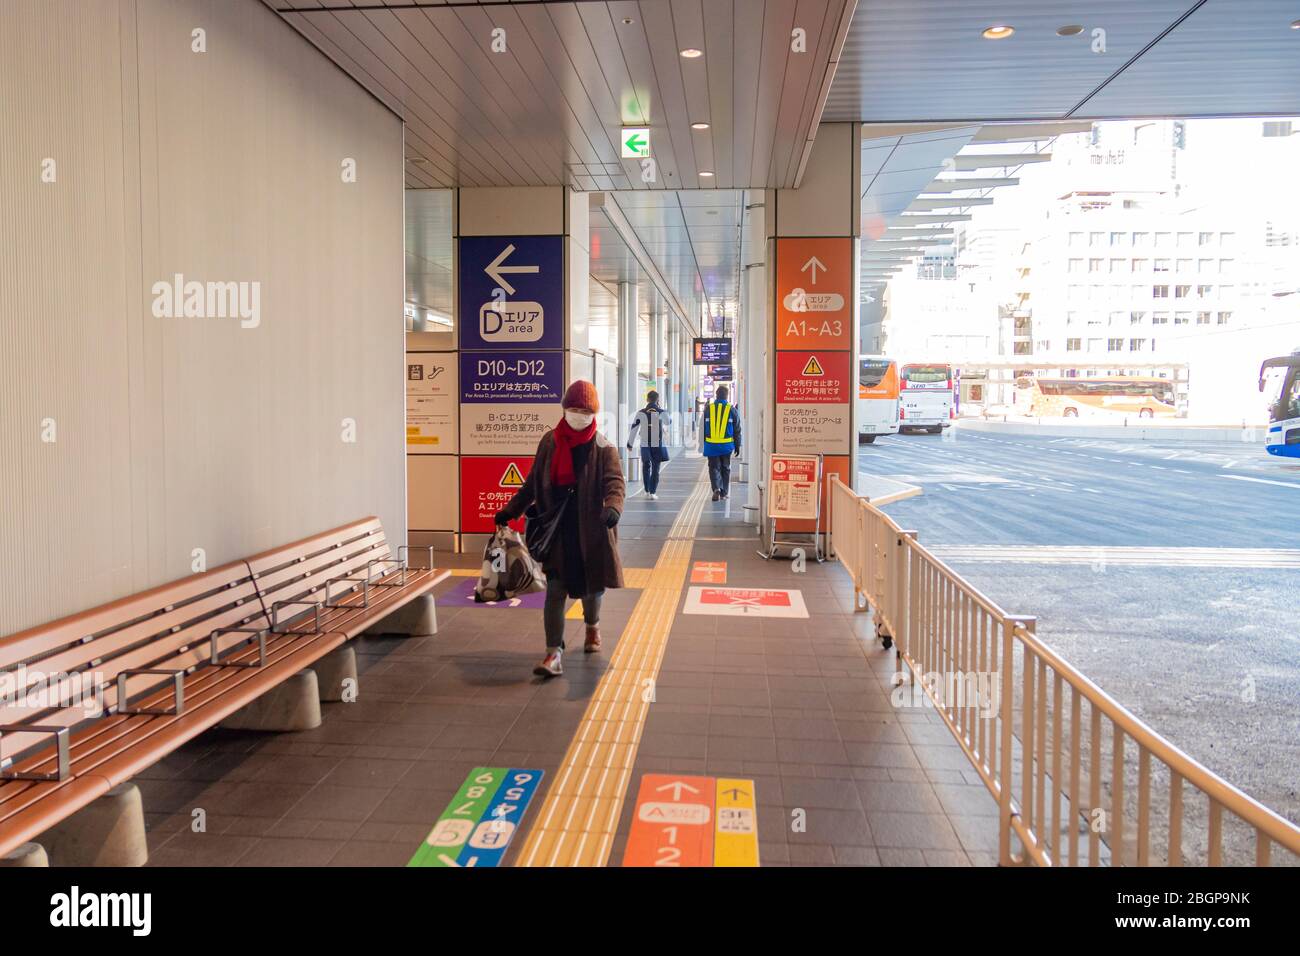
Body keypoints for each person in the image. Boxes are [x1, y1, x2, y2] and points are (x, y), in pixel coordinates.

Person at [496, 380, 625, 678]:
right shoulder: (549, 442)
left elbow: (615, 483)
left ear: (594, 413)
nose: (579, 414)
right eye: (575, 408)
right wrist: (510, 510)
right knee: (555, 590)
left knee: (592, 588)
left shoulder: (604, 447)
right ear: (565, 409)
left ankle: (592, 627)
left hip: (592, 531)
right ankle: (554, 652)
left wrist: (613, 507)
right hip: (557, 530)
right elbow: (531, 484)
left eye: (586, 410)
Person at [700, 384, 742, 501]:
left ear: (716, 395)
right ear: (727, 396)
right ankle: (724, 493)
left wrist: (701, 444)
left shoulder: (709, 408)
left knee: (713, 468)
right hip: (726, 446)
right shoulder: (732, 409)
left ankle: (716, 488)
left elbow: (702, 427)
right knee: (725, 468)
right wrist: (738, 445)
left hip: (711, 445)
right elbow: (737, 429)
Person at [626, 390, 670, 500]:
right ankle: (652, 492)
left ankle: (646, 490)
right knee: (656, 467)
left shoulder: (641, 412)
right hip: (657, 442)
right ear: (657, 399)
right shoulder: (660, 411)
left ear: (647, 399)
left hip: (645, 442)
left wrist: (630, 443)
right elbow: (669, 422)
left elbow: (634, 428)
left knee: (646, 465)